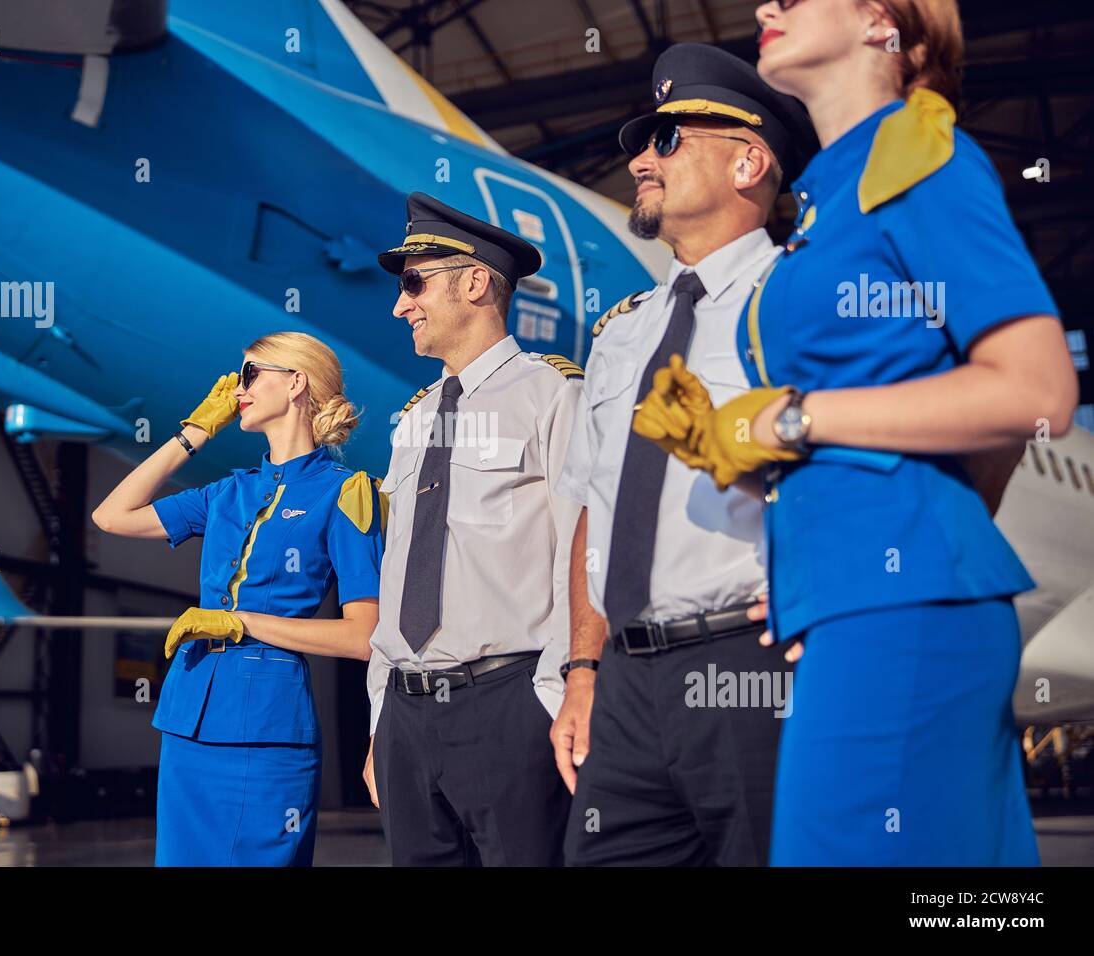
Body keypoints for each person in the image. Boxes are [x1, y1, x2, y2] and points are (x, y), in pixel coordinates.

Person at [635, 0, 1077, 864]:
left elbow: (1036, 392)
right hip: (858, 602)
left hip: (902, 610)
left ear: (884, 22)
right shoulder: (827, 199)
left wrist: (793, 419)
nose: (766, 5)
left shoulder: (919, 158)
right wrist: (810, 564)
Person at [554, 43, 818, 866]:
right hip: (626, 680)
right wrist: (583, 668)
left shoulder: (800, 301)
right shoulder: (622, 333)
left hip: (752, 664)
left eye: (667, 138)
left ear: (749, 162)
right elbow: (595, 511)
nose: (639, 157)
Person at [91, 332, 385, 866]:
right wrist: (194, 434)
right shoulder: (227, 492)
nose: (237, 390)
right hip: (187, 722)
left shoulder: (344, 492)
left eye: (250, 375)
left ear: (296, 383)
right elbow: (111, 517)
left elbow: (365, 636)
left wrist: (243, 622)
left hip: (266, 730)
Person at [362, 192, 582, 866]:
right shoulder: (414, 418)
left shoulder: (555, 396)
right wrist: (379, 720)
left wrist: (557, 693)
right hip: (405, 714)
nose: (402, 305)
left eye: (414, 283)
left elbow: (583, 549)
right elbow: (399, 571)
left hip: (509, 705)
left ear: (477, 282)